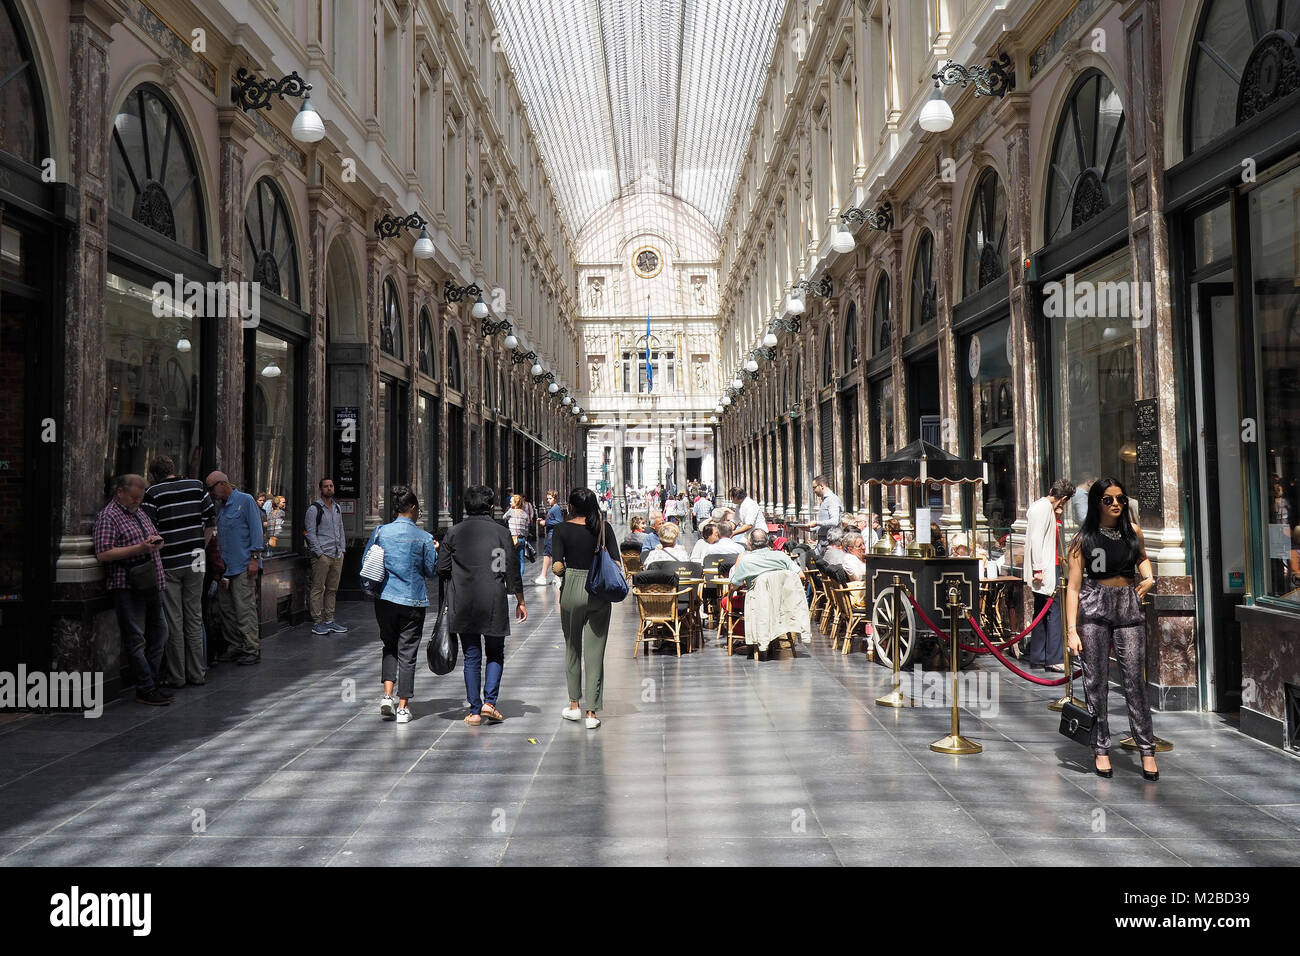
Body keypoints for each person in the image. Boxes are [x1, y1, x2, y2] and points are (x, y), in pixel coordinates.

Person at [1065, 477, 1159, 781]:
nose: (1116, 503)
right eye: (1108, 499)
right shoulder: (1084, 539)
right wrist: (1071, 630)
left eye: (1120, 498)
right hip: (1094, 608)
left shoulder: (1133, 532)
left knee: (1134, 682)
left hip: (1128, 606)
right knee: (1096, 682)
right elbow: (1073, 587)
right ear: (1097, 503)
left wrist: (1149, 577)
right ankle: (1101, 747)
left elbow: (1142, 558)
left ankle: (1147, 749)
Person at [438, 485, 526, 725]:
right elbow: (510, 569)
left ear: (466, 506)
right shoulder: (501, 532)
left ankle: (475, 710)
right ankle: (490, 702)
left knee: (471, 655)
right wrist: (520, 600)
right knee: (495, 652)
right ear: (490, 506)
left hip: (464, 601)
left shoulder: (454, 532)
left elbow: (442, 567)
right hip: (494, 600)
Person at [95, 474, 172, 705]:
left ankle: (153, 680)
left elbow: (147, 539)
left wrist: (156, 542)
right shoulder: (108, 517)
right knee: (136, 638)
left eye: (140, 497)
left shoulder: (138, 511)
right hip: (127, 585)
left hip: (151, 582)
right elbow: (103, 553)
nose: (138, 501)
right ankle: (145, 687)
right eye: (134, 497)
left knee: (160, 632)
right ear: (120, 492)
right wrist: (140, 548)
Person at [365, 487, 440, 724]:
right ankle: (403, 707)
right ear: (414, 509)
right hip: (412, 600)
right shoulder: (424, 538)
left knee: (389, 645)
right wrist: (434, 552)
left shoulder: (380, 532)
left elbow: (368, 560)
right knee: (408, 651)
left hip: (385, 599)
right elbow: (431, 571)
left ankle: (387, 696)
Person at [140, 456, 215, 688]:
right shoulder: (197, 486)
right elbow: (211, 523)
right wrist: (199, 548)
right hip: (196, 560)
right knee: (194, 617)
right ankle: (197, 673)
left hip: (169, 561)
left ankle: (178, 676)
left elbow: (149, 530)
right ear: (173, 469)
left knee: (174, 619)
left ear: (154, 474)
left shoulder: (153, 493)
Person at [551, 487, 620, 730]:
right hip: (598, 590)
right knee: (595, 652)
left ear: (570, 506)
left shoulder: (560, 529)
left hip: (571, 589)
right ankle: (591, 712)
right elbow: (616, 561)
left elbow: (557, 565)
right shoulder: (603, 528)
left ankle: (573, 706)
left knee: (572, 648)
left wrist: (561, 568)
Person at [205, 471, 264, 665]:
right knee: (227, 610)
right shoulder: (221, 507)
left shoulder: (245, 501)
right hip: (225, 567)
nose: (211, 494)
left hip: (243, 565)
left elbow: (256, 529)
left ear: (222, 484)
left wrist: (254, 558)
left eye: (212, 489)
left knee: (244, 609)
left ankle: (251, 648)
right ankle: (235, 646)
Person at [1023, 478, 1076, 673]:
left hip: (1045, 565)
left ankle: (1039, 655)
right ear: (1063, 498)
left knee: (1042, 611)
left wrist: (1057, 514)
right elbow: (1037, 539)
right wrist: (1038, 569)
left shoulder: (1041, 507)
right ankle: (1054, 658)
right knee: (1054, 611)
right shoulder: (1044, 509)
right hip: (1045, 567)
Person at [305, 478, 349, 636]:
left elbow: (341, 529)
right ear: (320, 489)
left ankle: (330, 619)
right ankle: (317, 621)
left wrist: (342, 549)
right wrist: (319, 553)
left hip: (337, 554)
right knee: (318, 588)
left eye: (331, 486)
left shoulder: (337, 507)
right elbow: (310, 533)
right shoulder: (314, 509)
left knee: (332, 589)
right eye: (326, 486)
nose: (329, 488)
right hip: (322, 555)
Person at [535, 489, 563, 585]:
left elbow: (559, 521)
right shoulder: (553, 509)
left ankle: (543, 576)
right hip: (552, 534)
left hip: (552, 534)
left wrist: (545, 522)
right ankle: (557, 577)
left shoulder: (555, 509)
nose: (548, 500)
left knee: (547, 555)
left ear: (555, 499)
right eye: (547, 499)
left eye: (550, 498)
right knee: (554, 555)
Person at [811, 475, 843, 553]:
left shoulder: (832, 499)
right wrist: (811, 528)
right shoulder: (825, 500)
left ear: (821, 485)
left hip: (829, 542)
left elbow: (834, 521)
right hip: (823, 541)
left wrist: (817, 523)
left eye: (814, 487)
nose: (814, 491)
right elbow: (825, 524)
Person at [504, 494, 530, 585]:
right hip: (522, 539)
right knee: (521, 560)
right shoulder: (525, 514)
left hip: (513, 538)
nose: (510, 502)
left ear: (515, 503)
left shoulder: (511, 511)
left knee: (510, 559)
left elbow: (504, 517)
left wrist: (510, 509)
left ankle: (511, 580)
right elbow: (527, 529)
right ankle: (519, 580)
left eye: (511, 501)